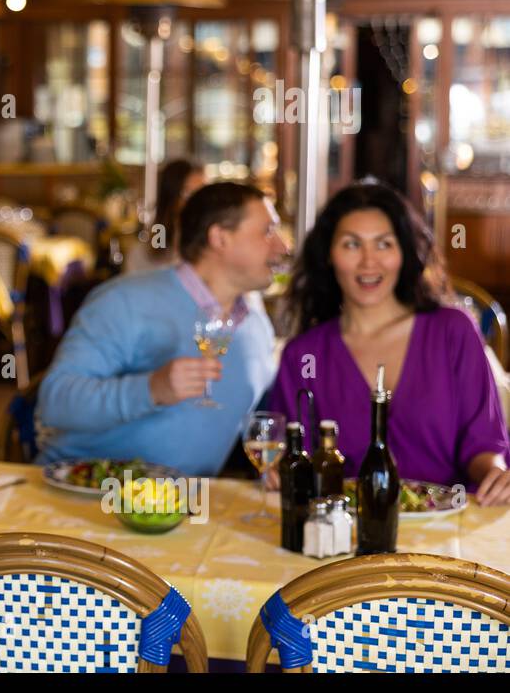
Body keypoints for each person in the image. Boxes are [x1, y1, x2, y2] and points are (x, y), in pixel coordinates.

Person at [270, 179, 510, 502]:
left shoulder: (454, 331)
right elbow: (295, 457)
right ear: (328, 255)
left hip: (446, 528)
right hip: (347, 537)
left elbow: (483, 443)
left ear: (404, 252)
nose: (369, 262)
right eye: (352, 245)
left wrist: (495, 473)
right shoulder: (303, 356)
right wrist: (278, 470)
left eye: (384, 244)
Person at [36, 182, 288, 475]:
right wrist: (151, 389)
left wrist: (272, 468)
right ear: (220, 238)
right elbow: (55, 403)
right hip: (85, 494)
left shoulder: (255, 325)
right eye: (268, 231)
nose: (282, 246)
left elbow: (254, 423)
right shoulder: (124, 301)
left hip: (186, 506)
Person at [121, 158, 206, 275]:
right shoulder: (158, 237)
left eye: (203, 192)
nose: (198, 201)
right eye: (188, 193)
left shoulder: (213, 240)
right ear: (171, 196)